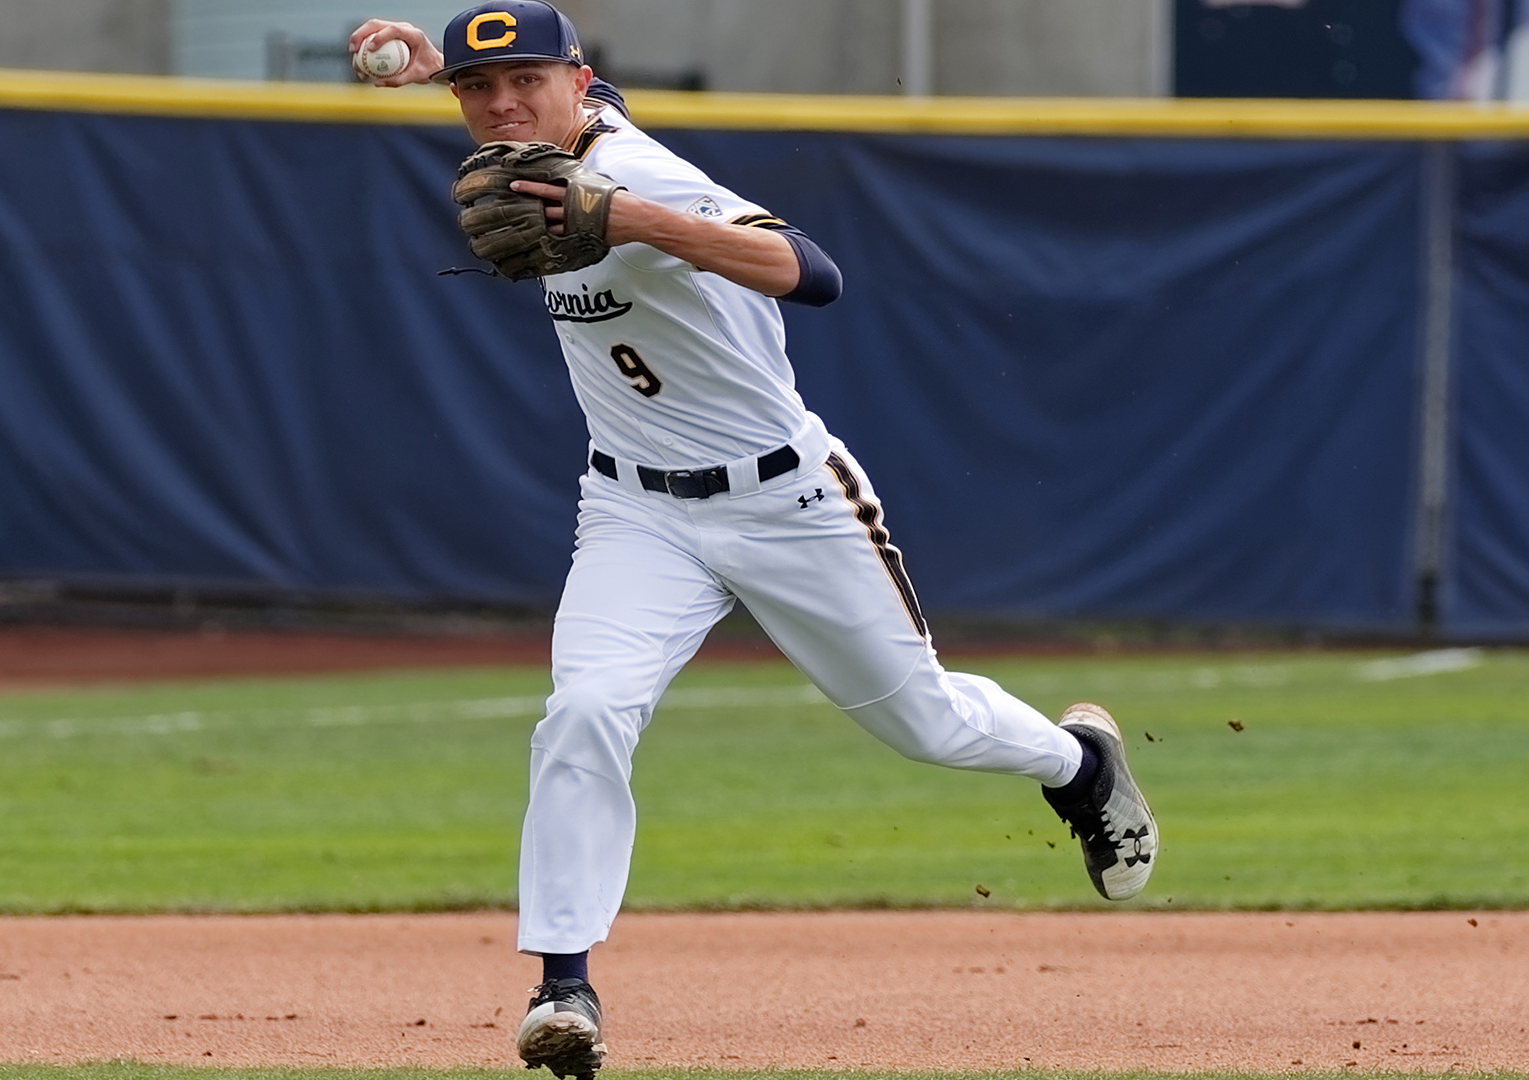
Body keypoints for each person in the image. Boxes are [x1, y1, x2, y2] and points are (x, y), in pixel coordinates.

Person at [348, 4, 1159, 1076]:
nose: (501, 105)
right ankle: (564, 989)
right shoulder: (543, 148)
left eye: (527, 80)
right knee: (586, 711)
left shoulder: (644, 175)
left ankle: (1078, 763)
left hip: (788, 501)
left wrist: (634, 219)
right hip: (635, 508)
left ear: (579, 80)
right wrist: (427, 71)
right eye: (477, 90)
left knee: (925, 723)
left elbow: (810, 271)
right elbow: (550, 124)